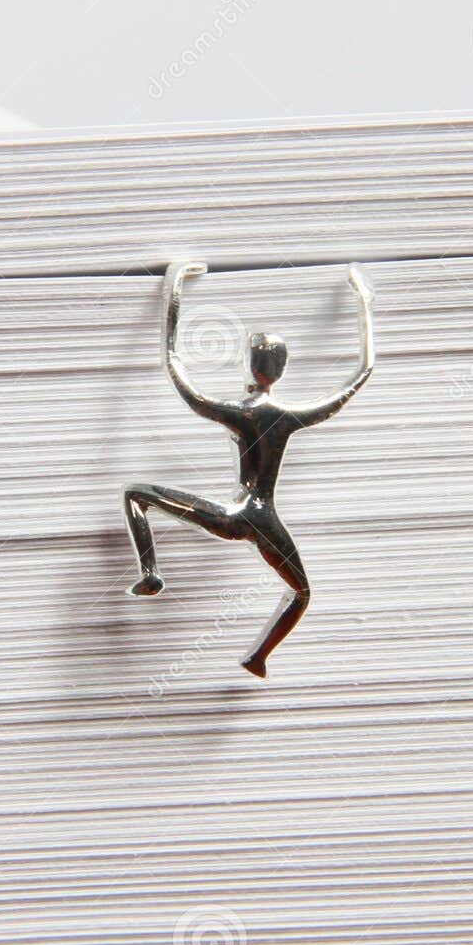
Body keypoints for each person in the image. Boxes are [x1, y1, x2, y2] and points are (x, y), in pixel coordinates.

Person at [123, 259, 375, 678]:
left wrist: (176, 293)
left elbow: (176, 369)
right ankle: (259, 657)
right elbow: (361, 375)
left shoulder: (240, 414)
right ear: (281, 369)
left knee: (136, 495)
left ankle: (151, 574)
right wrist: (364, 301)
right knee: (301, 593)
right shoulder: (292, 415)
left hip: (234, 517)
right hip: (266, 519)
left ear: (250, 365)